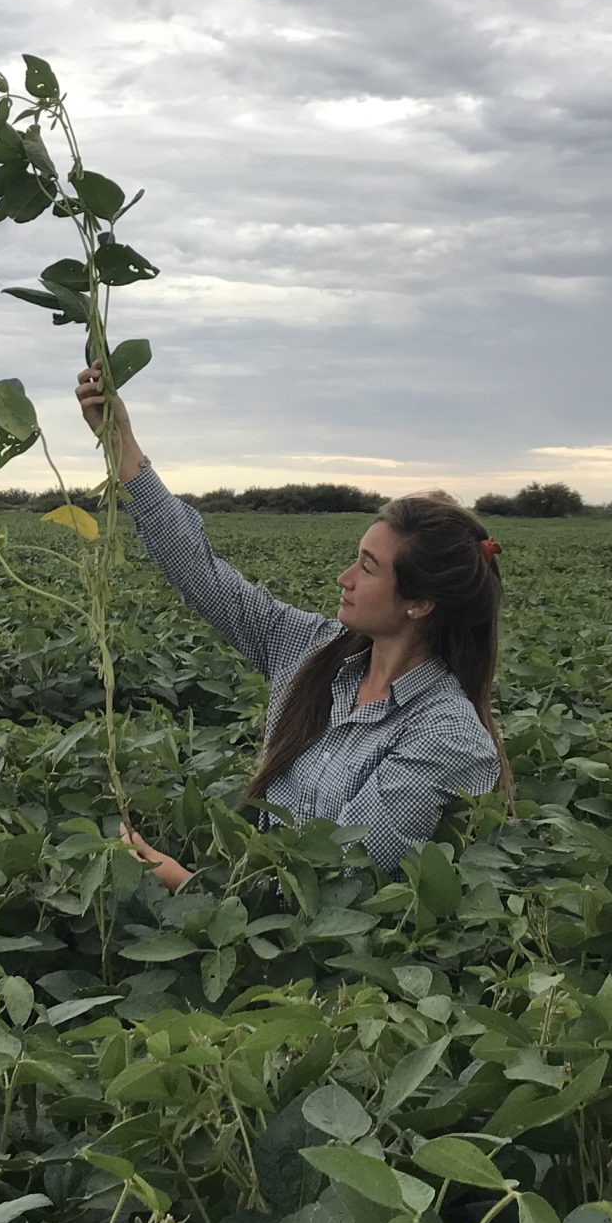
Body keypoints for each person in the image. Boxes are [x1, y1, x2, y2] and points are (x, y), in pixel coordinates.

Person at [75, 363, 514, 889]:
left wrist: (176, 881)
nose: (344, 577)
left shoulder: (445, 737)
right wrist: (122, 442)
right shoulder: (315, 649)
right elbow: (204, 576)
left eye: (368, 568)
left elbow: (331, 892)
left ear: (419, 602)